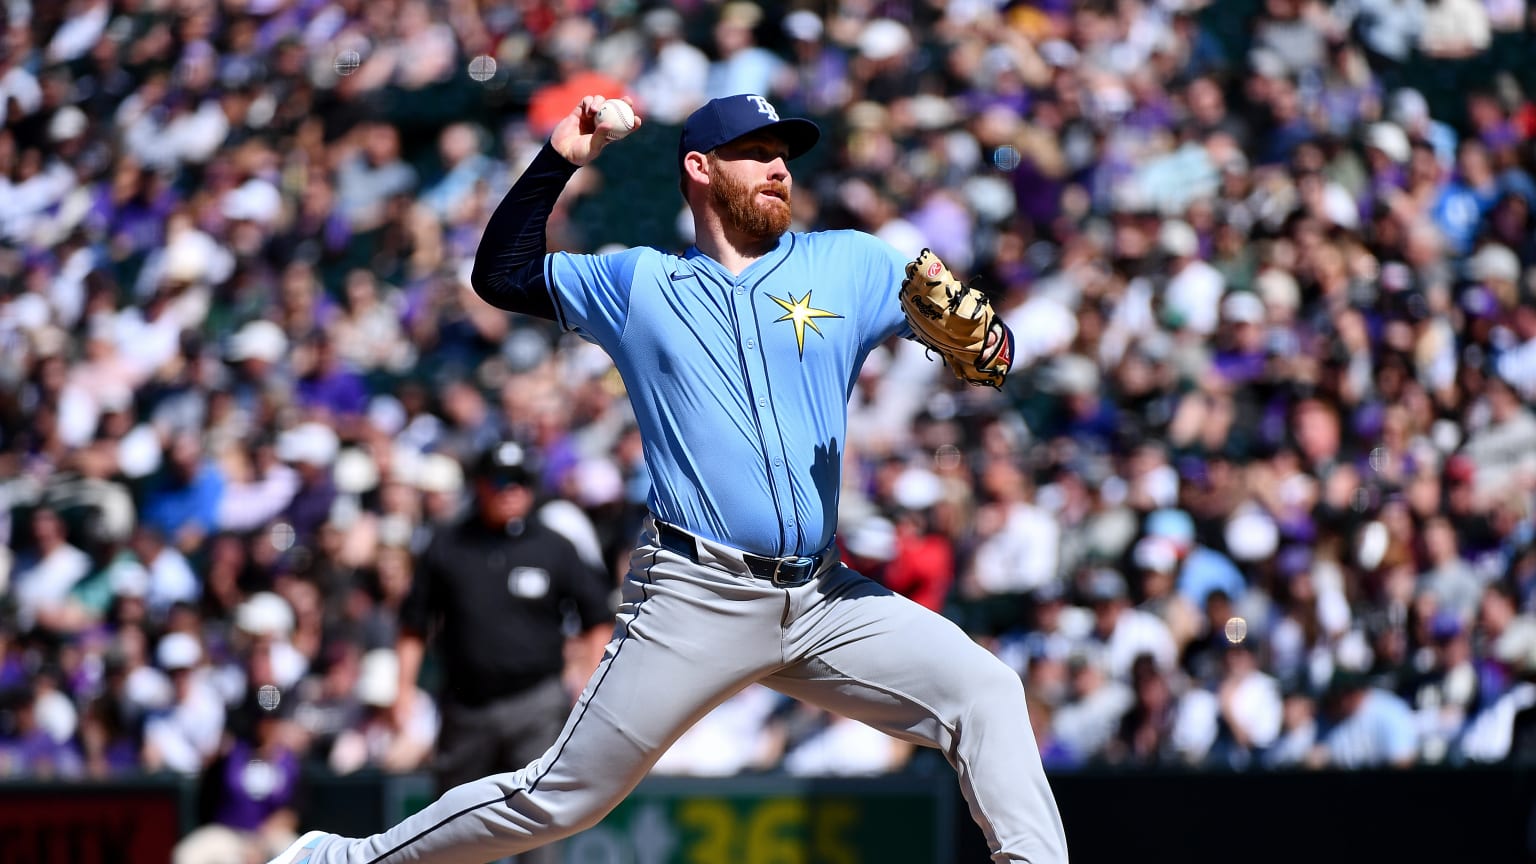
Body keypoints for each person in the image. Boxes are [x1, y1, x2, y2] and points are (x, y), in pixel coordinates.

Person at [269, 93, 1067, 864]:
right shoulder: (639, 284)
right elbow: (500, 273)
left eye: (783, 155)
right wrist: (559, 161)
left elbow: (986, 346)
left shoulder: (850, 262)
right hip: (699, 593)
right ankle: (342, 861)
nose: (778, 169)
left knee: (987, 692)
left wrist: (988, 343)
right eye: (755, 155)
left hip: (824, 599)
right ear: (699, 169)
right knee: (560, 797)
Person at [389, 443, 615, 864]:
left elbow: (597, 615)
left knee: (540, 823)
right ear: (479, 484)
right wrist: (402, 689)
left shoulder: (554, 546)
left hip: (536, 703)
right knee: (452, 823)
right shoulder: (448, 546)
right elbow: (413, 624)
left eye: (520, 481)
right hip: (466, 705)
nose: (511, 490)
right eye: (500, 480)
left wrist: (587, 673)